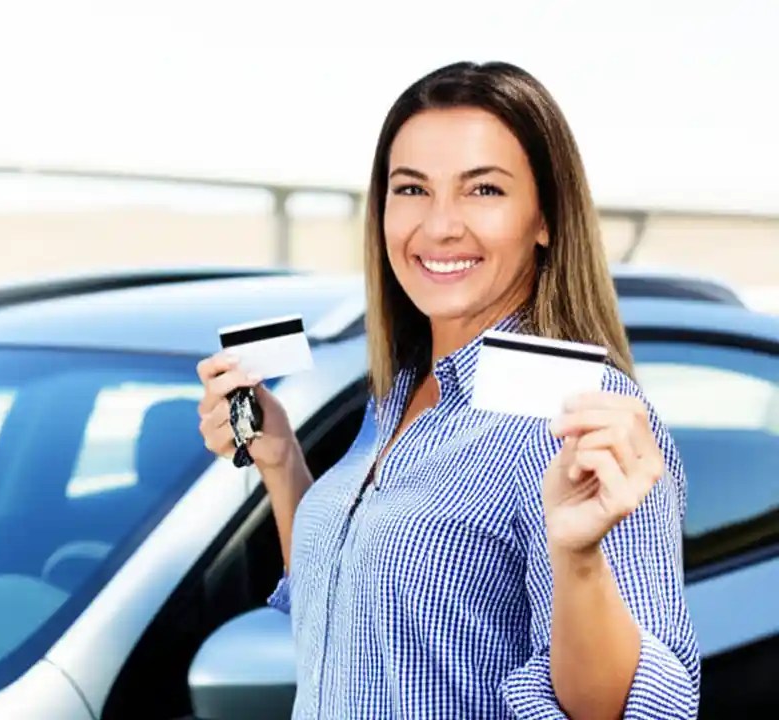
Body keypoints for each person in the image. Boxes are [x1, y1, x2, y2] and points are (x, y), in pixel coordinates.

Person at [196, 61, 699, 719]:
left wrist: (576, 560)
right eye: (411, 190)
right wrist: (284, 463)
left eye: (483, 190)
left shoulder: (576, 413)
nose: (438, 226)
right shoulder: (397, 394)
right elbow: (347, 625)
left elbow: (636, 712)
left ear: (545, 216)